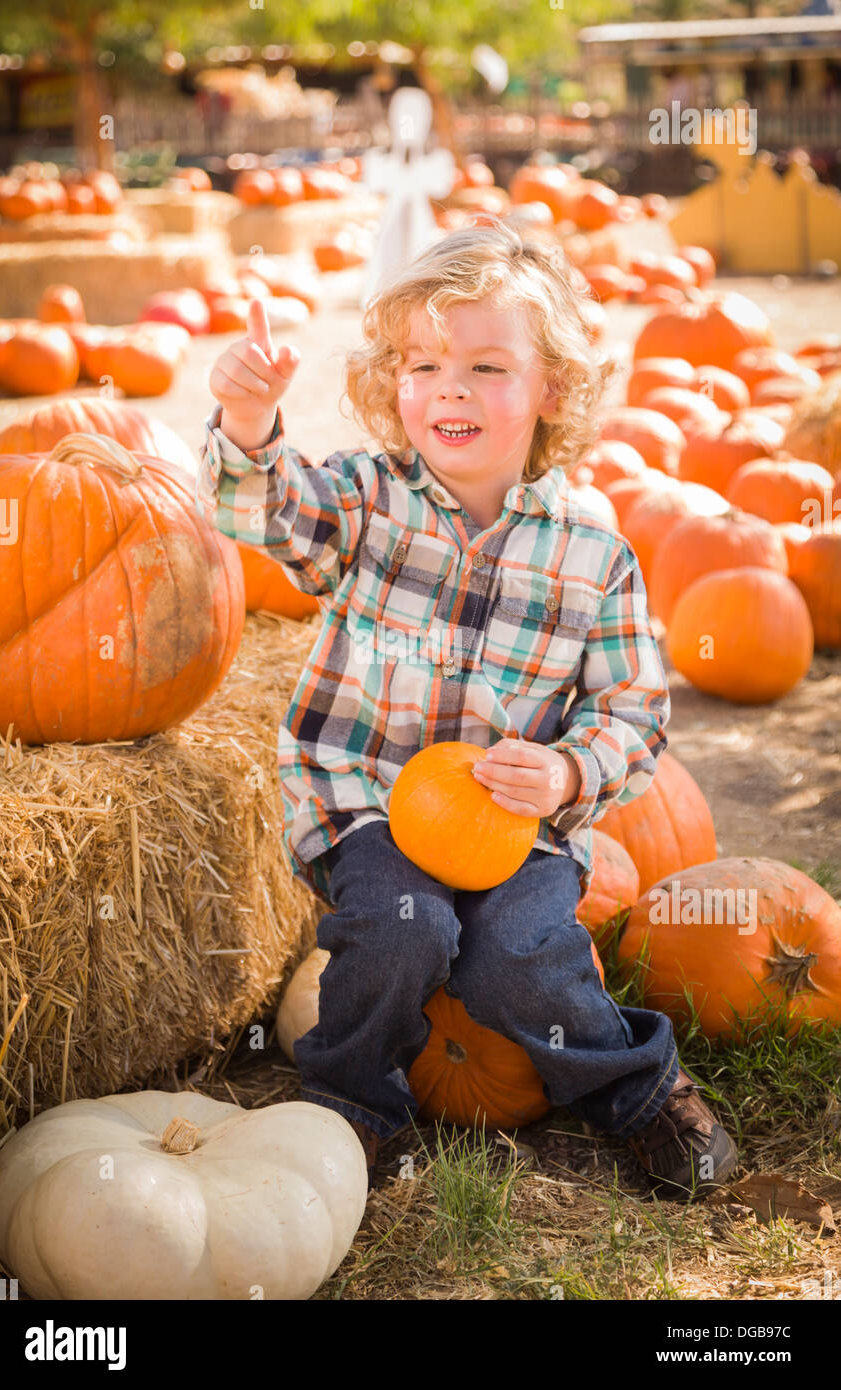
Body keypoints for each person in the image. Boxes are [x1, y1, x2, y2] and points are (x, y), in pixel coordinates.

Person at [195, 221, 737, 1198]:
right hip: (367, 804)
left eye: (485, 365)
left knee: (522, 957)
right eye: (424, 363)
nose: (447, 386)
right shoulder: (364, 503)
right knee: (404, 931)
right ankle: (353, 1106)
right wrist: (248, 425)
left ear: (550, 391)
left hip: (510, 824)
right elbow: (258, 515)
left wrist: (570, 771)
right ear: (392, 382)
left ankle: (635, 1091)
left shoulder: (592, 552)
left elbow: (632, 708)